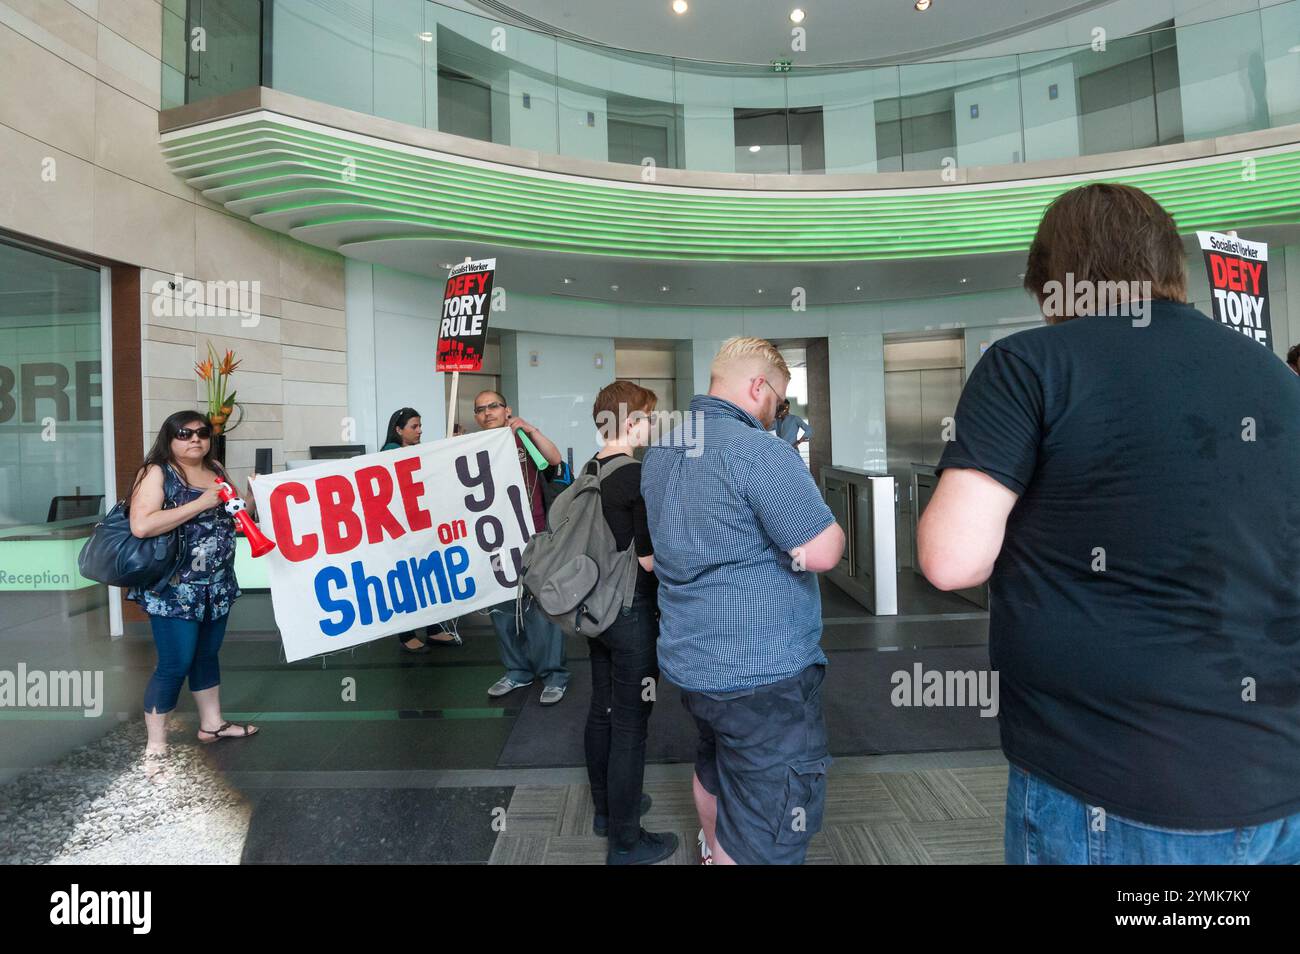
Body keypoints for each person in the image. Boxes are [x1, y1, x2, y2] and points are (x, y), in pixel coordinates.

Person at [917, 183, 1300, 865]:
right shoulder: (1275, 375)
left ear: (1053, 280)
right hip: (1277, 773)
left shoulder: (1029, 364)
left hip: (1109, 777)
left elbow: (952, 560)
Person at [641, 337, 845, 865]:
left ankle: (712, 852)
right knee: (768, 823)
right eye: (778, 400)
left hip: (691, 662)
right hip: (761, 670)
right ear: (758, 386)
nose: (778, 411)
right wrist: (791, 466)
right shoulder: (759, 450)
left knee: (713, 764)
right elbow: (822, 551)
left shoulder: (661, 448)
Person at [126, 411, 260, 770]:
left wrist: (251, 497)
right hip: (175, 587)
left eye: (201, 433)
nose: (195, 439)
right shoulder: (157, 472)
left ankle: (212, 724)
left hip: (216, 585)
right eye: (184, 434)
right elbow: (141, 525)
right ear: (169, 438)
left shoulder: (215, 468)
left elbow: (235, 515)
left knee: (206, 655)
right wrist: (201, 502)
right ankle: (156, 743)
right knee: (175, 663)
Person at [584, 381, 678, 865]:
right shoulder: (635, 476)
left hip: (595, 609)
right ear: (633, 421)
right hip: (631, 613)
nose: (652, 425)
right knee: (630, 726)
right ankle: (626, 842)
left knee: (602, 709)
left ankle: (607, 811)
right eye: (649, 417)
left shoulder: (590, 469)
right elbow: (647, 560)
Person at [473, 390, 570, 705]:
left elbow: (554, 460)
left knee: (541, 607)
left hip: (534, 536)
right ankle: (517, 671)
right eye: (480, 409)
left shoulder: (522, 439)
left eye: (493, 406)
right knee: (502, 609)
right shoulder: (471, 447)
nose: (487, 412)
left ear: (507, 410)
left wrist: (530, 430)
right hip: (495, 541)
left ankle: (554, 675)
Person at [382, 407, 460, 651]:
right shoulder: (389, 453)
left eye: (420, 426)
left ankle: (433, 629)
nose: (419, 431)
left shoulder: (417, 451)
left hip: (421, 526)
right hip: (403, 530)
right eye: (414, 426)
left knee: (427, 577)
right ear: (398, 430)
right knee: (409, 579)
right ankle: (406, 634)